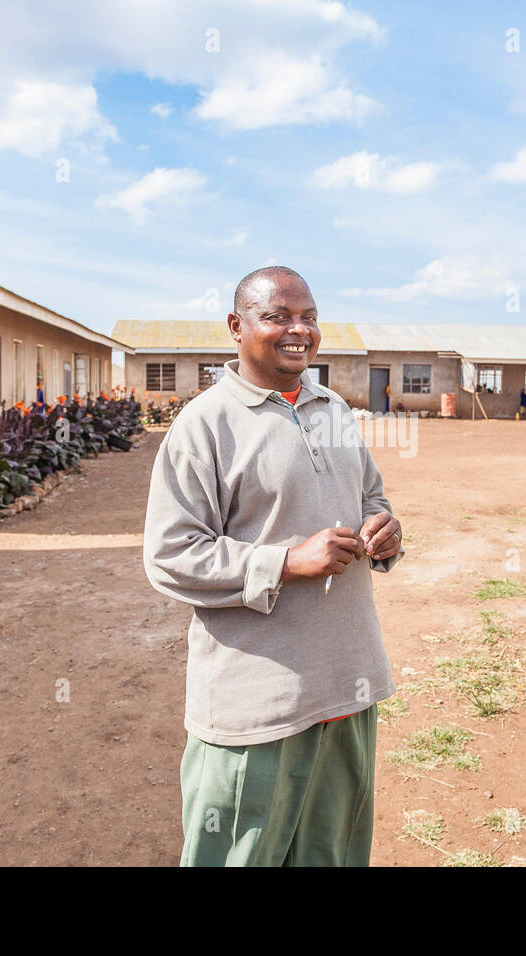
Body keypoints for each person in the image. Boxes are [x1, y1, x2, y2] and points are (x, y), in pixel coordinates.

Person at [142, 266, 404, 867]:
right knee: (236, 854)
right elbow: (170, 554)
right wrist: (286, 561)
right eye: (277, 316)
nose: (298, 330)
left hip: (346, 684)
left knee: (331, 854)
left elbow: (372, 498)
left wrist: (385, 529)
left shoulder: (333, 409)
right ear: (236, 327)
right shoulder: (204, 426)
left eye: (309, 317)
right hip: (257, 704)